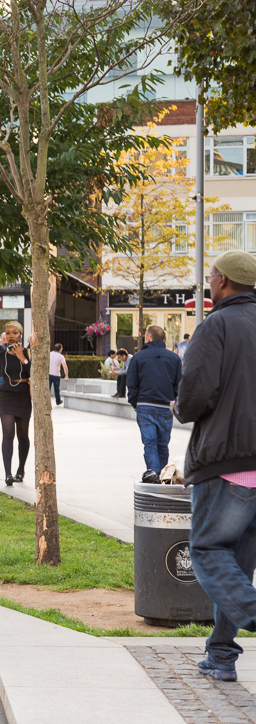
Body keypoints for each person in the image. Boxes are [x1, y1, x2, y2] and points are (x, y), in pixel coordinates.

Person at [173, 251, 256, 682]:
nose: (209, 283)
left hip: (228, 463)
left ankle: (250, 615)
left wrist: (179, 408)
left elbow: (194, 394)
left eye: (210, 277)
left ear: (221, 280)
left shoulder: (216, 325)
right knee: (237, 566)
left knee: (207, 551)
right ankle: (221, 656)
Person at [126, 325, 181, 483]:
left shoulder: (138, 357)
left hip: (145, 405)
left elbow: (132, 384)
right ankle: (163, 476)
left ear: (148, 338)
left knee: (150, 444)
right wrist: (173, 401)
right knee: (163, 445)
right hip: (166, 407)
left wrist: (135, 403)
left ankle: (154, 475)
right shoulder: (174, 358)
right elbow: (179, 384)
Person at [0, 321, 31, 486]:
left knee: (22, 436)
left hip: (23, 396)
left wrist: (22, 358)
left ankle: (21, 470)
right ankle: (8, 474)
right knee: (8, 434)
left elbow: (33, 373)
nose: (11, 336)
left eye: (14, 333)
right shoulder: (1, 355)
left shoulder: (29, 353)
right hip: (7, 396)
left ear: (20, 334)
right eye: (8, 333)